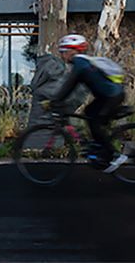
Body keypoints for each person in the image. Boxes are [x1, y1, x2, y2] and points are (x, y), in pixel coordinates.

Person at [48, 33, 128, 172]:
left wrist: (54, 101)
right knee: (89, 112)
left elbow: (69, 86)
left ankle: (115, 155)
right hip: (107, 96)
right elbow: (71, 87)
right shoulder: (83, 63)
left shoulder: (80, 64)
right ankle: (98, 147)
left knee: (96, 124)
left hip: (112, 96)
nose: (62, 55)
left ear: (72, 50)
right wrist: (59, 100)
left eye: (64, 52)